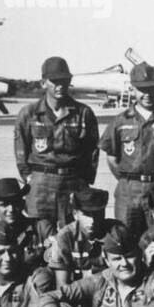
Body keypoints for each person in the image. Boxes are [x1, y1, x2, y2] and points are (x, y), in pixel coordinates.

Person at [99, 62, 154, 235]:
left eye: (152, 89)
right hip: (129, 193)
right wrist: (130, 180)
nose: (147, 94)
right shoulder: (120, 121)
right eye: (142, 89)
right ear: (132, 89)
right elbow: (112, 158)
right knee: (126, 238)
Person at [14, 56, 100, 226]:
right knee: (39, 232)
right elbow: (21, 150)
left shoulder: (83, 113)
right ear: (43, 83)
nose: (60, 85)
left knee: (72, 234)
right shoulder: (29, 113)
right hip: (40, 184)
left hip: (73, 182)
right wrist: (29, 177)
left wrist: (84, 181)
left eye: (65, 80)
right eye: (55, 81)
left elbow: (92, 151)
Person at [0, 178, 54, 270]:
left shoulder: (41, 229)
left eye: (15, 203)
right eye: (4, 205)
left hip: (35, 282)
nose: (11, 209)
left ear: (23, 204)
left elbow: (57, 263)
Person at [46, 187, 111, 288]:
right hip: (77, 292)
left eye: (97, 214)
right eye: (86, 215)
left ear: (103, 213)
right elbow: (63, 286)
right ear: (75, 214)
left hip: (106, 291)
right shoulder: (65, 237)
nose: (92, 221)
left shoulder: (114, 232)